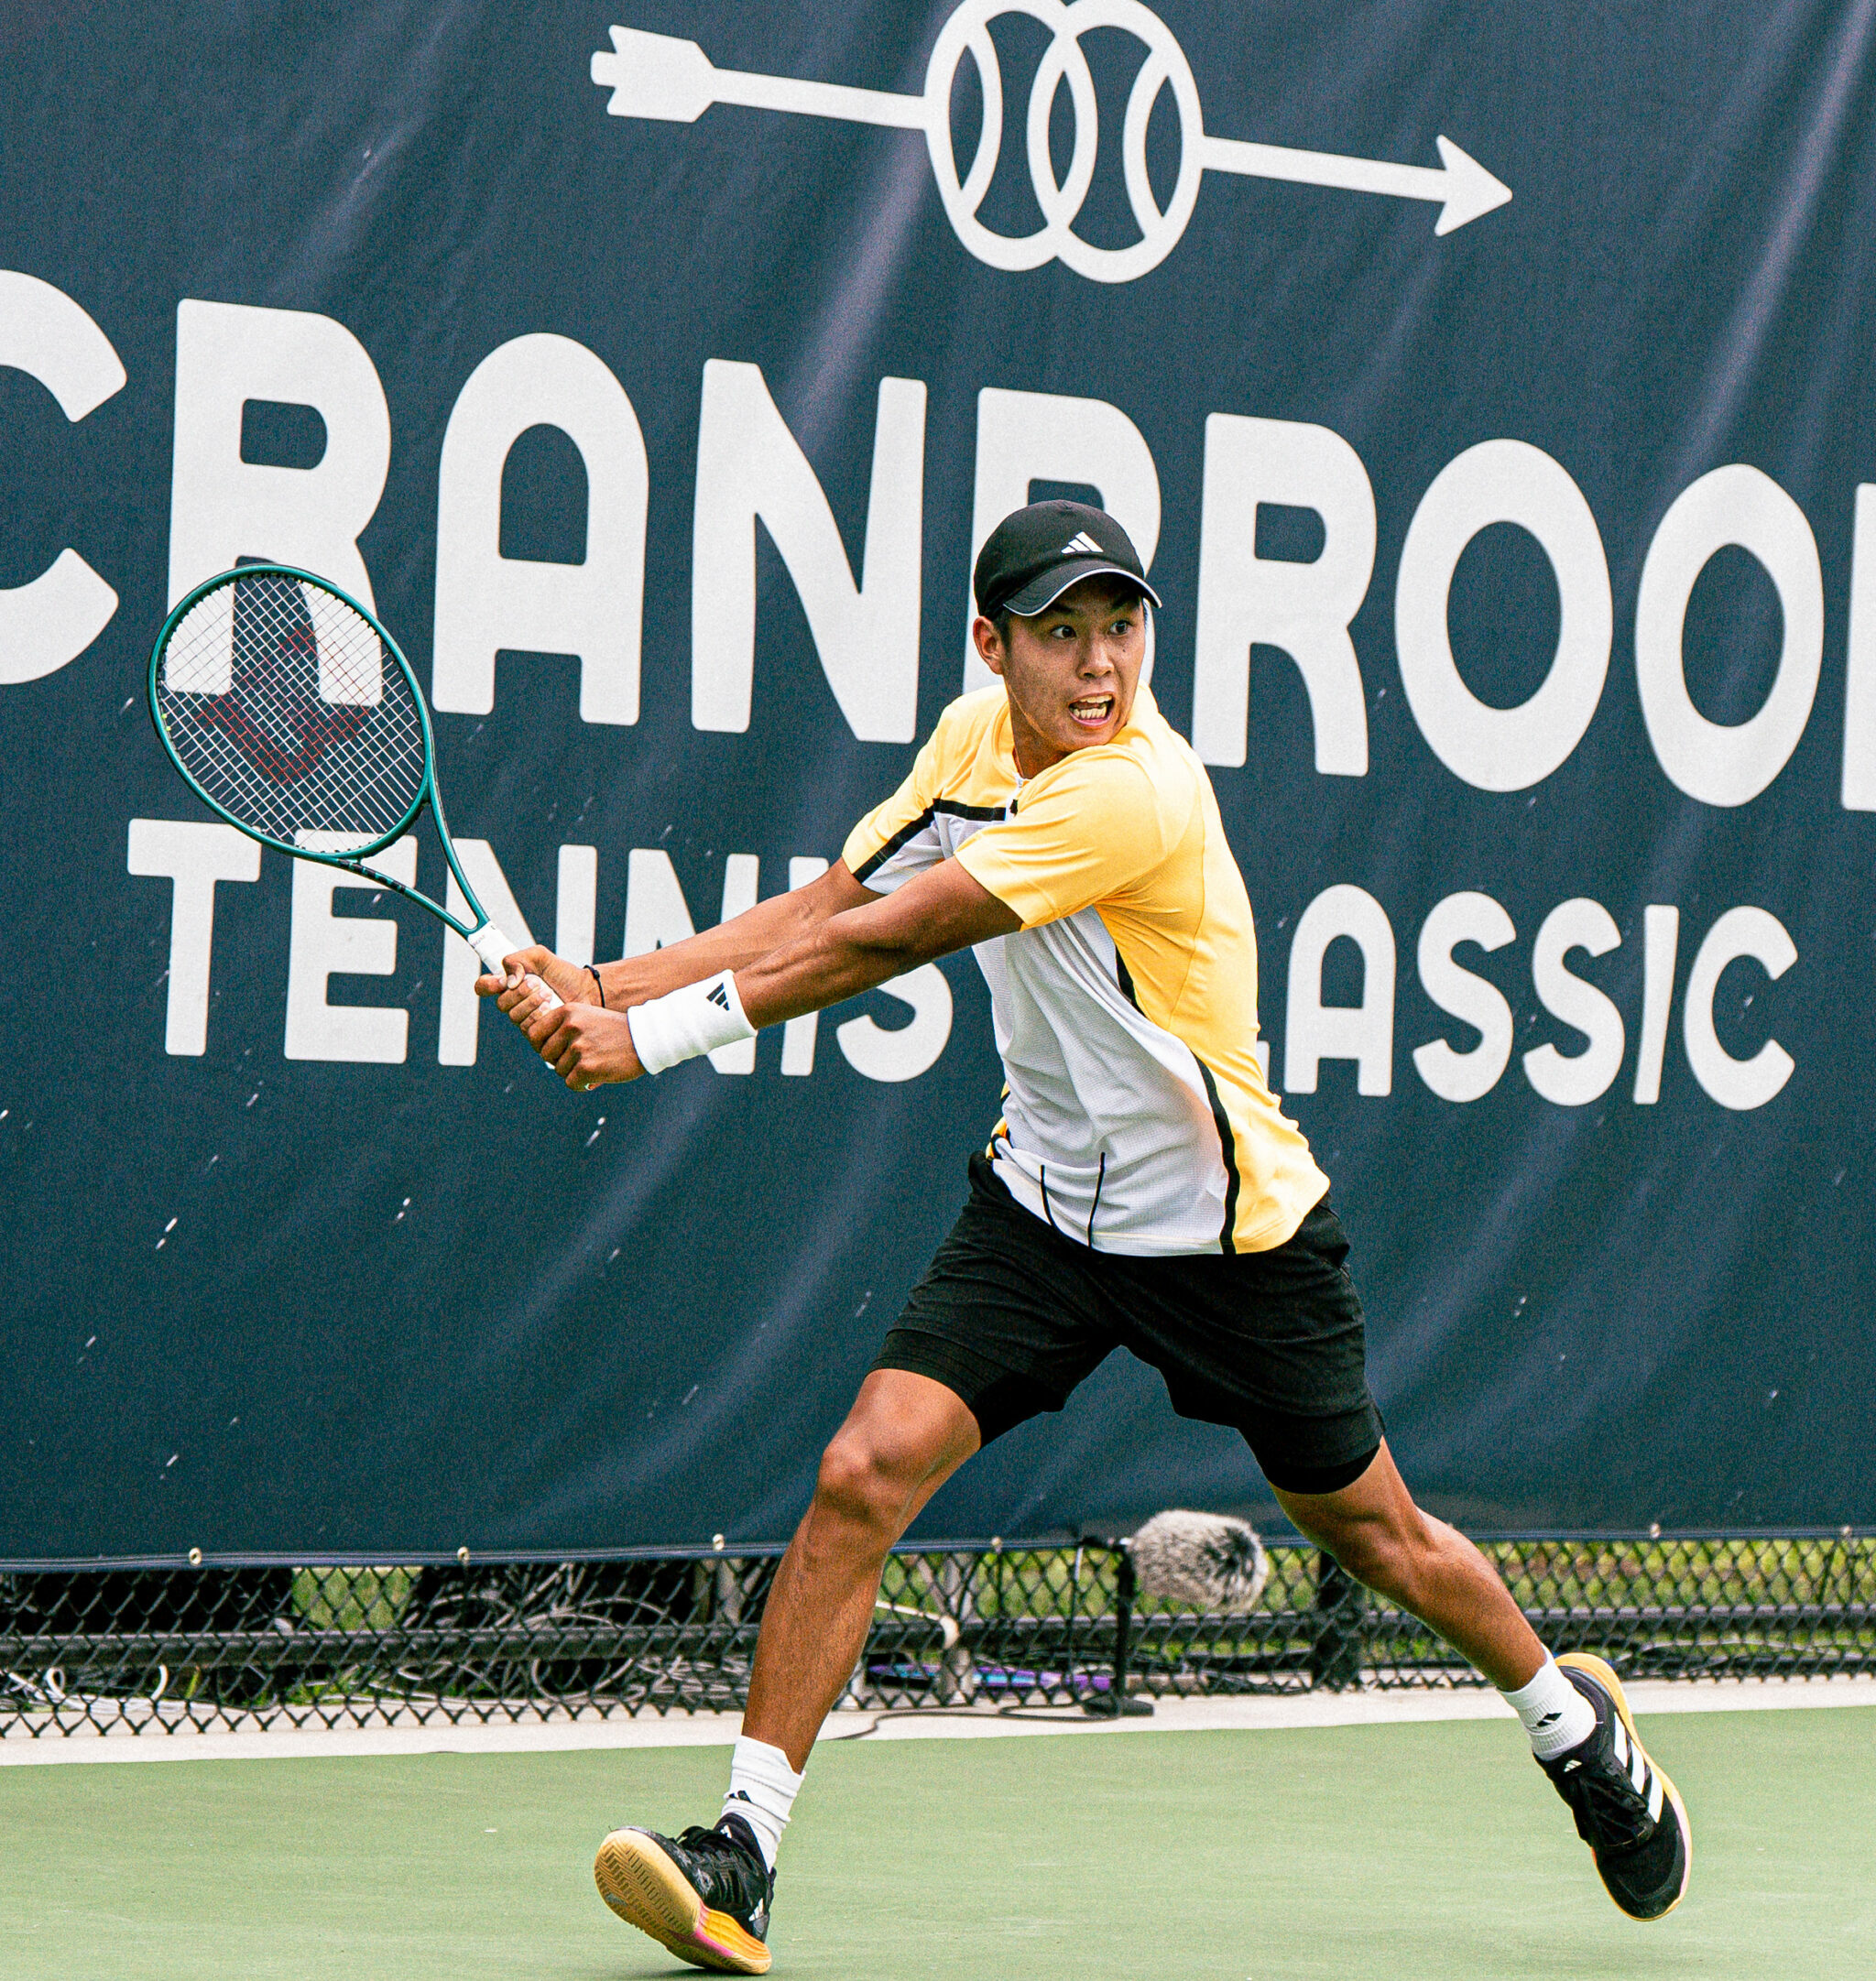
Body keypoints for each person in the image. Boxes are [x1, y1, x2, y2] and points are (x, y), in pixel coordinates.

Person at [478, 500, 1692, 1974]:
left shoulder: (1139, 793)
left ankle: (1574, 1730)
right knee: (864, 1470)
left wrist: (641, 1041)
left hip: (1230, 1236)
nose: (1101, 663)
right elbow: (830, 900)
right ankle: (741, 1856)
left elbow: (889, 942)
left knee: (1376, 1534)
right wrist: (603, 977)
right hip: (1045, 1209)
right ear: (993, 647)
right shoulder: (970, 744)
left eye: (1121, 627)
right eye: (1062, 635)